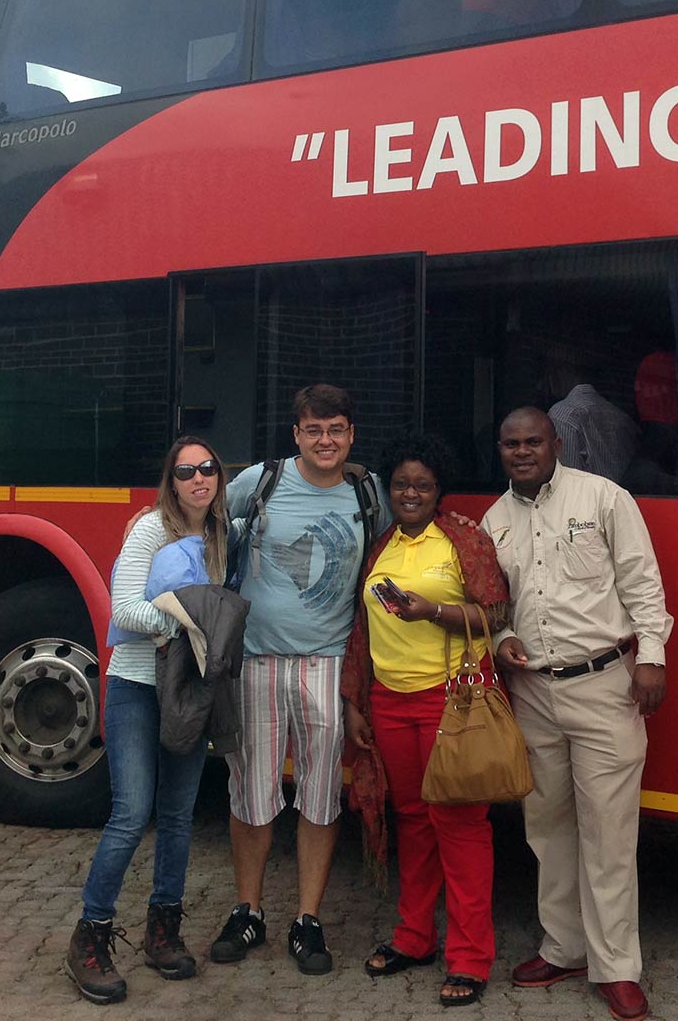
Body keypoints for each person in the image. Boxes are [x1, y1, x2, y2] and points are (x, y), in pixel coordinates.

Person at [484, 407, 672, 1021]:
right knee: (547, 828)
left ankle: (617, 966)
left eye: (532, 441)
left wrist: (653, 656)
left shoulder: (604, 498)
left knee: (609, 833)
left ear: (555, 444)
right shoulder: (494, 520)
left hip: (605, 687)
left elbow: (642, 583)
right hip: (534, 691)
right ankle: (563, 948)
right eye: (511, 443)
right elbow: (492, 604)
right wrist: (501, 637)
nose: (521, 451)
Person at [210, 383, 388, 976]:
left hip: (329, 666)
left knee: (318, 797)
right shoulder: (259, 482)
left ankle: (307, 919)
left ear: (352, 434)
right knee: (252, 795)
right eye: (313, 430)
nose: (325, 441)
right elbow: (204, 527)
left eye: (336, 429)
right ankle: (248, 910)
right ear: (296, 435)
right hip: (256, 662)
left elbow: (387, 554)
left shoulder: (367, 492)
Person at [341, 434, 511, 1008]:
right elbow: (361, 629)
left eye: (422, 485)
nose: (409, 493)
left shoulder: (462, 537)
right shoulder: (383, 542)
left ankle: (469, 957)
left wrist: (431, 610)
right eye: (401, 484)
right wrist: (354, 703)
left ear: (439, 490)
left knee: (459, 825)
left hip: (451, 702)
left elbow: (494, 613)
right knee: (412, 821)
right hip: (390, 702)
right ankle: (414, 939)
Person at [64, 435, 232, 1005]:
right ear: (172, 481)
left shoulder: (219, 537)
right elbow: (124, 609)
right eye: (186, 472)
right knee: (132, 813)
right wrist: (184, 623)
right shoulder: (149, 530)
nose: (198, 479)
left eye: (208, 468)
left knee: (180, 816)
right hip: (136, 687)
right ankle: (90, 934)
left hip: (186, 692)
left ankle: (164, 930)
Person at [544, 349, 641, 483]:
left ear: (564, 371)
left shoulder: (562, 415)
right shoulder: (621, 417)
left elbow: (566, 483)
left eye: (551, 372)